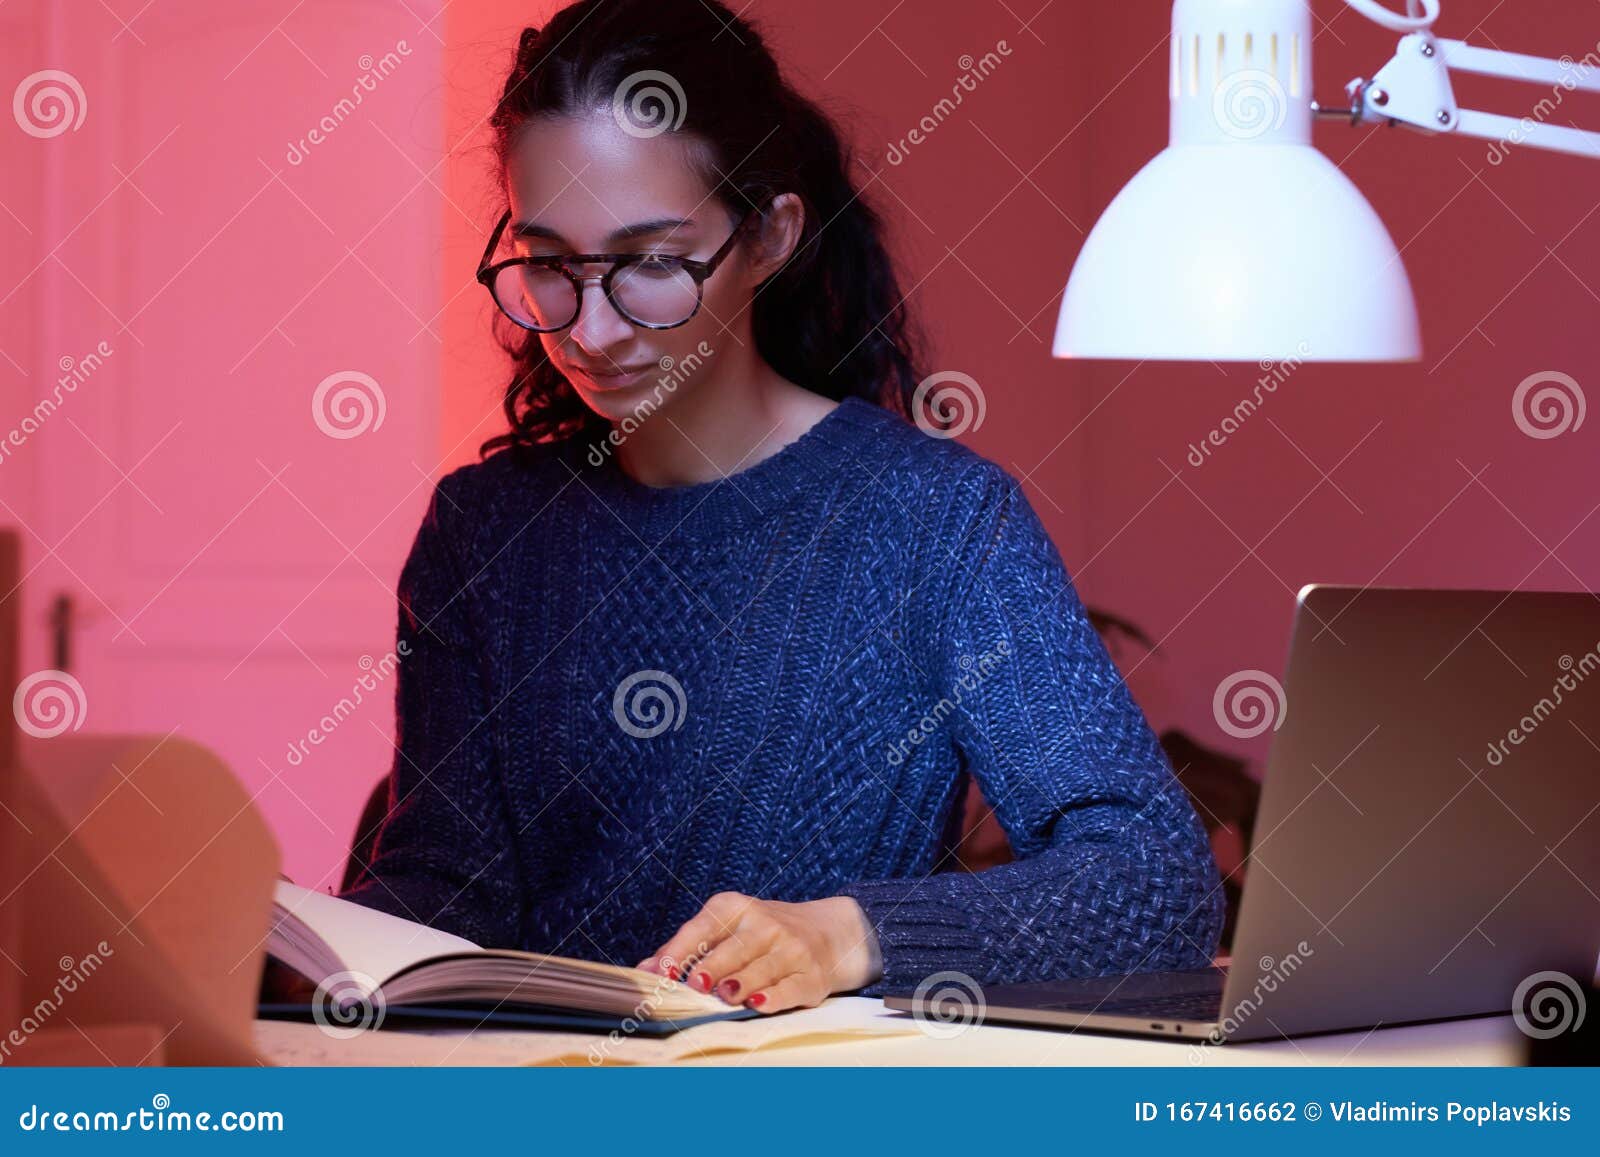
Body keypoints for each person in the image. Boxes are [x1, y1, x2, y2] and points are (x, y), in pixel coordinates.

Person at [340, 0, 1223, 1015]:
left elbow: (1156, 880)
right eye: (550, 265)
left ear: (769, 236)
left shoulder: (934, 519)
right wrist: (289, 945)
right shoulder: (485, 531)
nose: (589, 327)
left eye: (652, 264)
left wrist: (847, 931)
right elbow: (448, 890)